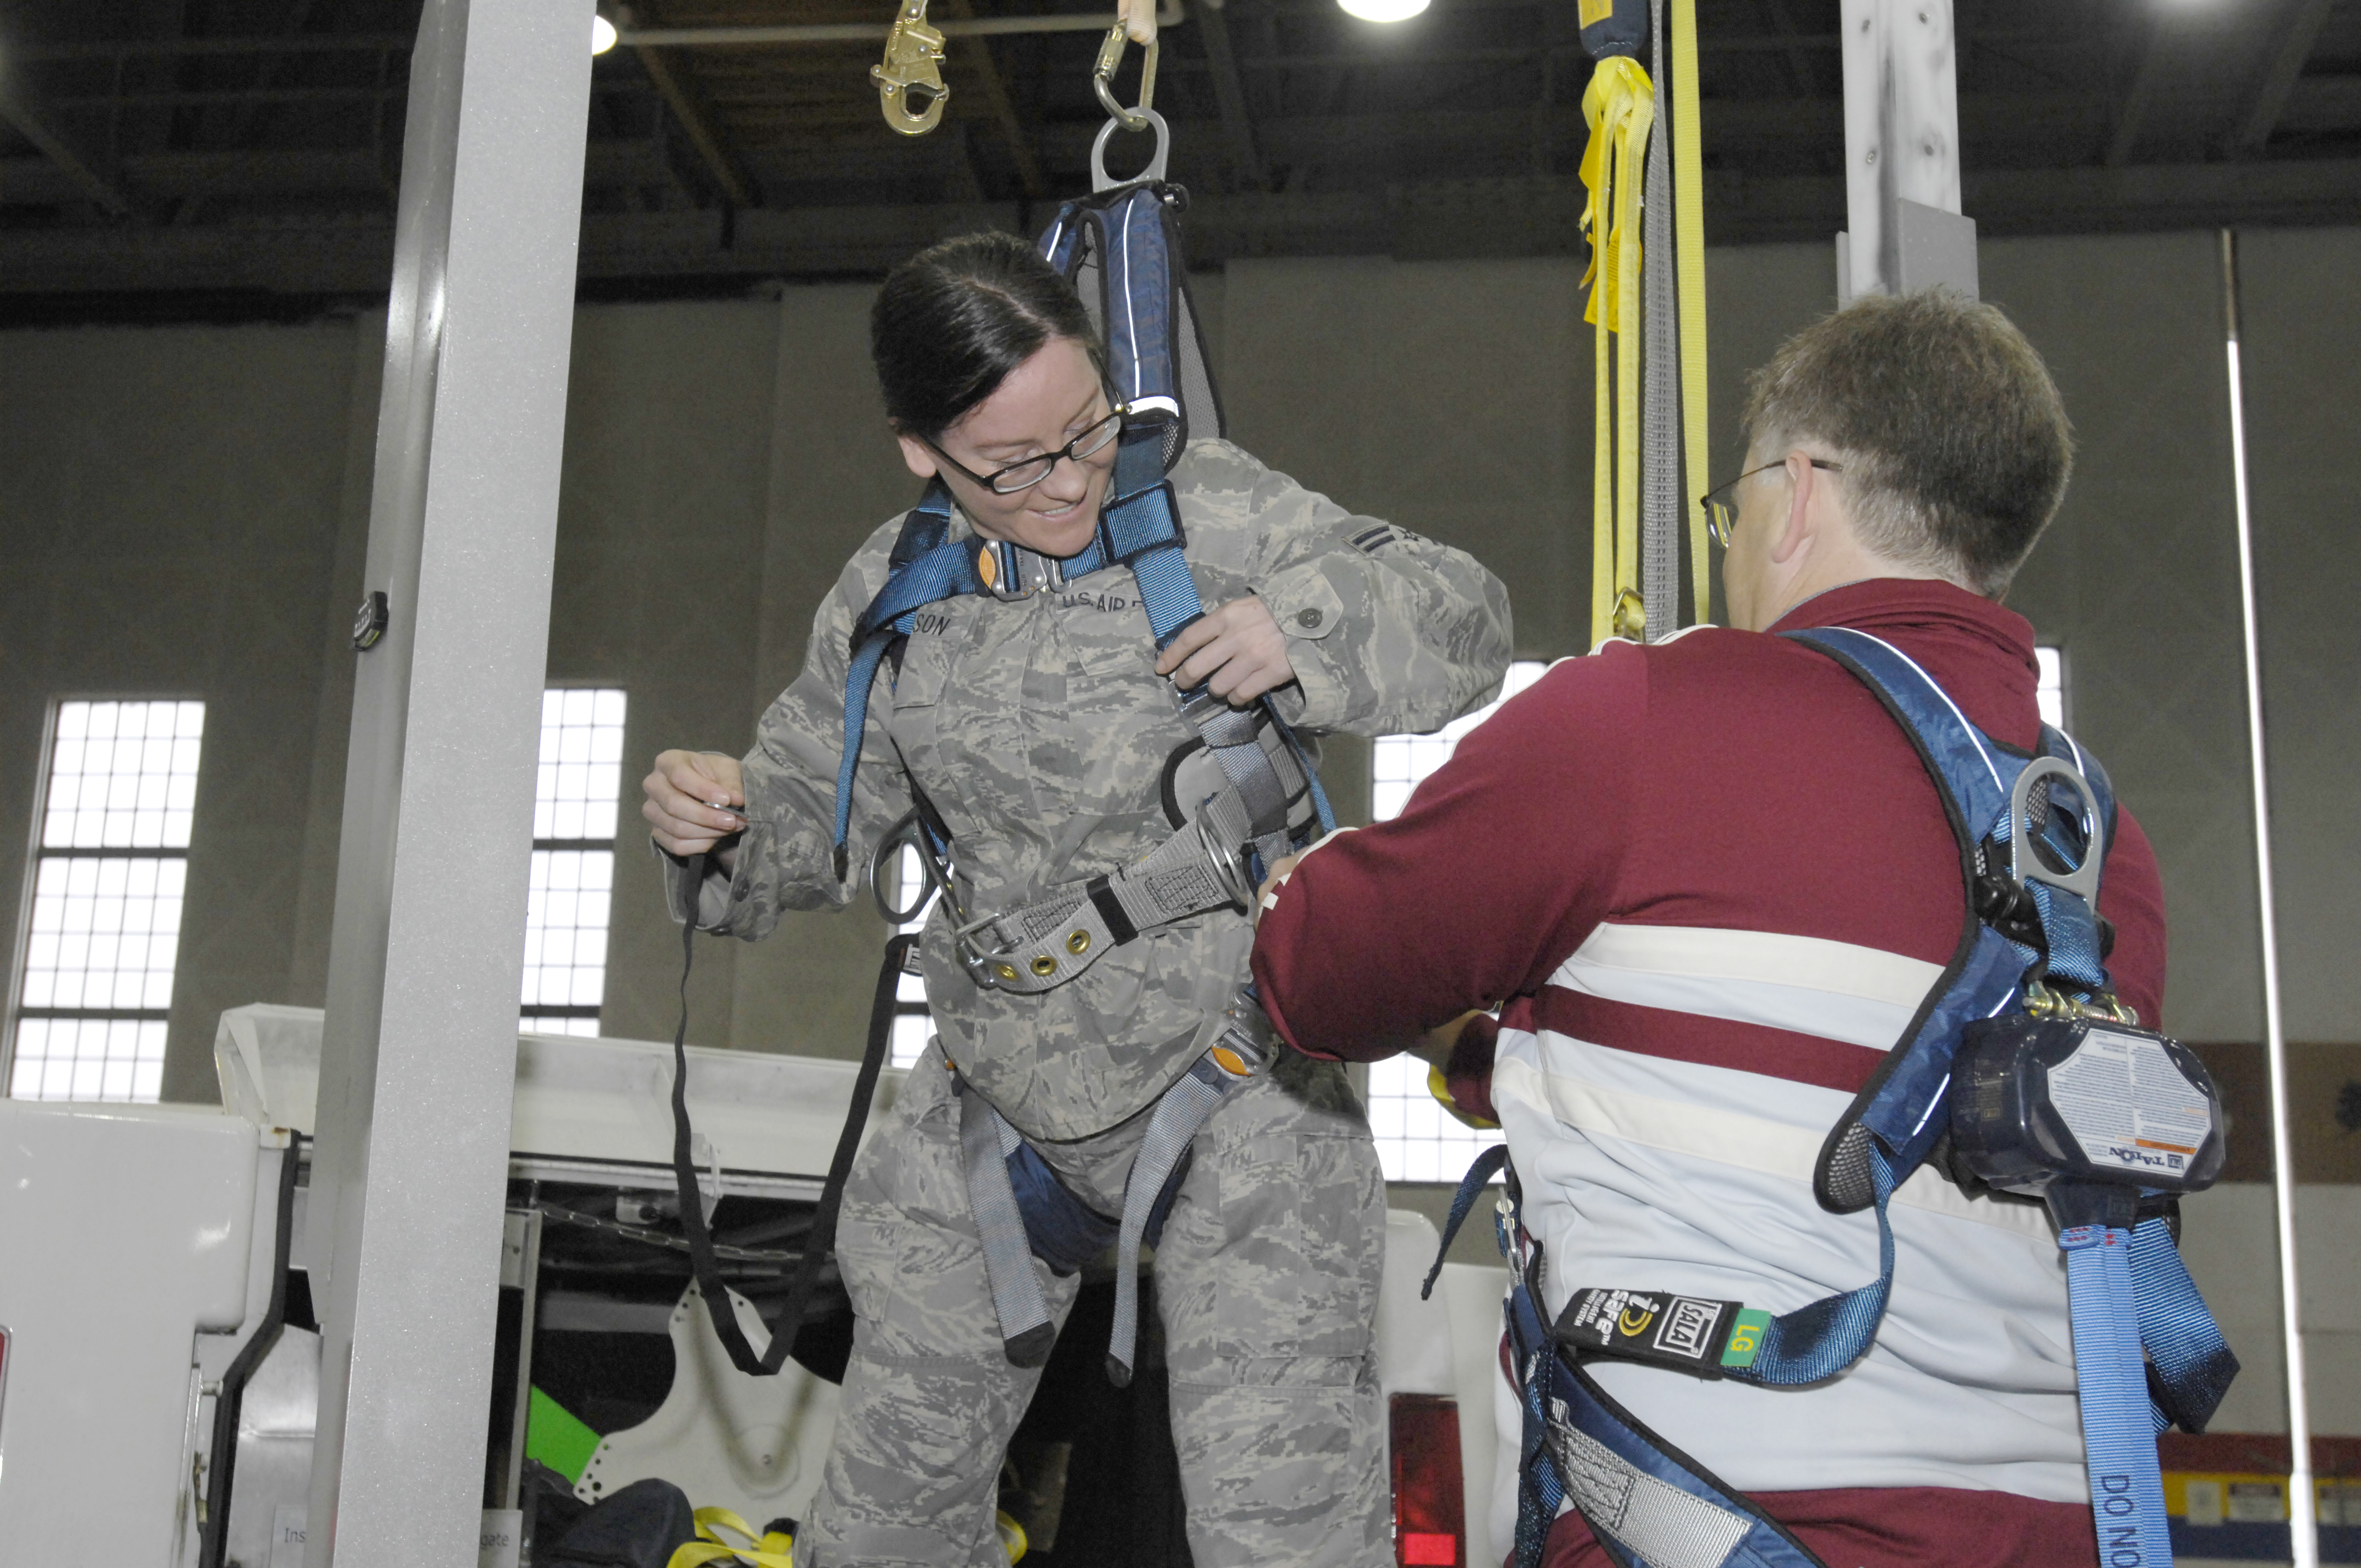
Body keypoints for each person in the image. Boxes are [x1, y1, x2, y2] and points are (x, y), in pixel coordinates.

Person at [1249, 290, 2165, 1568]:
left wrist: (1283, 882)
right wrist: (1488, 1053)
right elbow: (1824, 1102)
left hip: (1723, 1521)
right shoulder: (2093, 846)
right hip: (2059, 1524)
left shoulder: (1643, 717)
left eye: (1729, 510)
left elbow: (1322, 970)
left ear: (1795, 492)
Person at [641, 231, 1513, 1568]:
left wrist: (1300, 627)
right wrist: (720, 824)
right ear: (920, 451)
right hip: (995, 1109)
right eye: (1014, 462)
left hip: (1240, 1094)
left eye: (1088, 426)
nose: (1069, 478)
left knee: (1282, 1538)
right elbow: (811, 817)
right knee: (877, 1535)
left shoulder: (1213, 512)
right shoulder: (892, 592)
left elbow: (1465, 617)